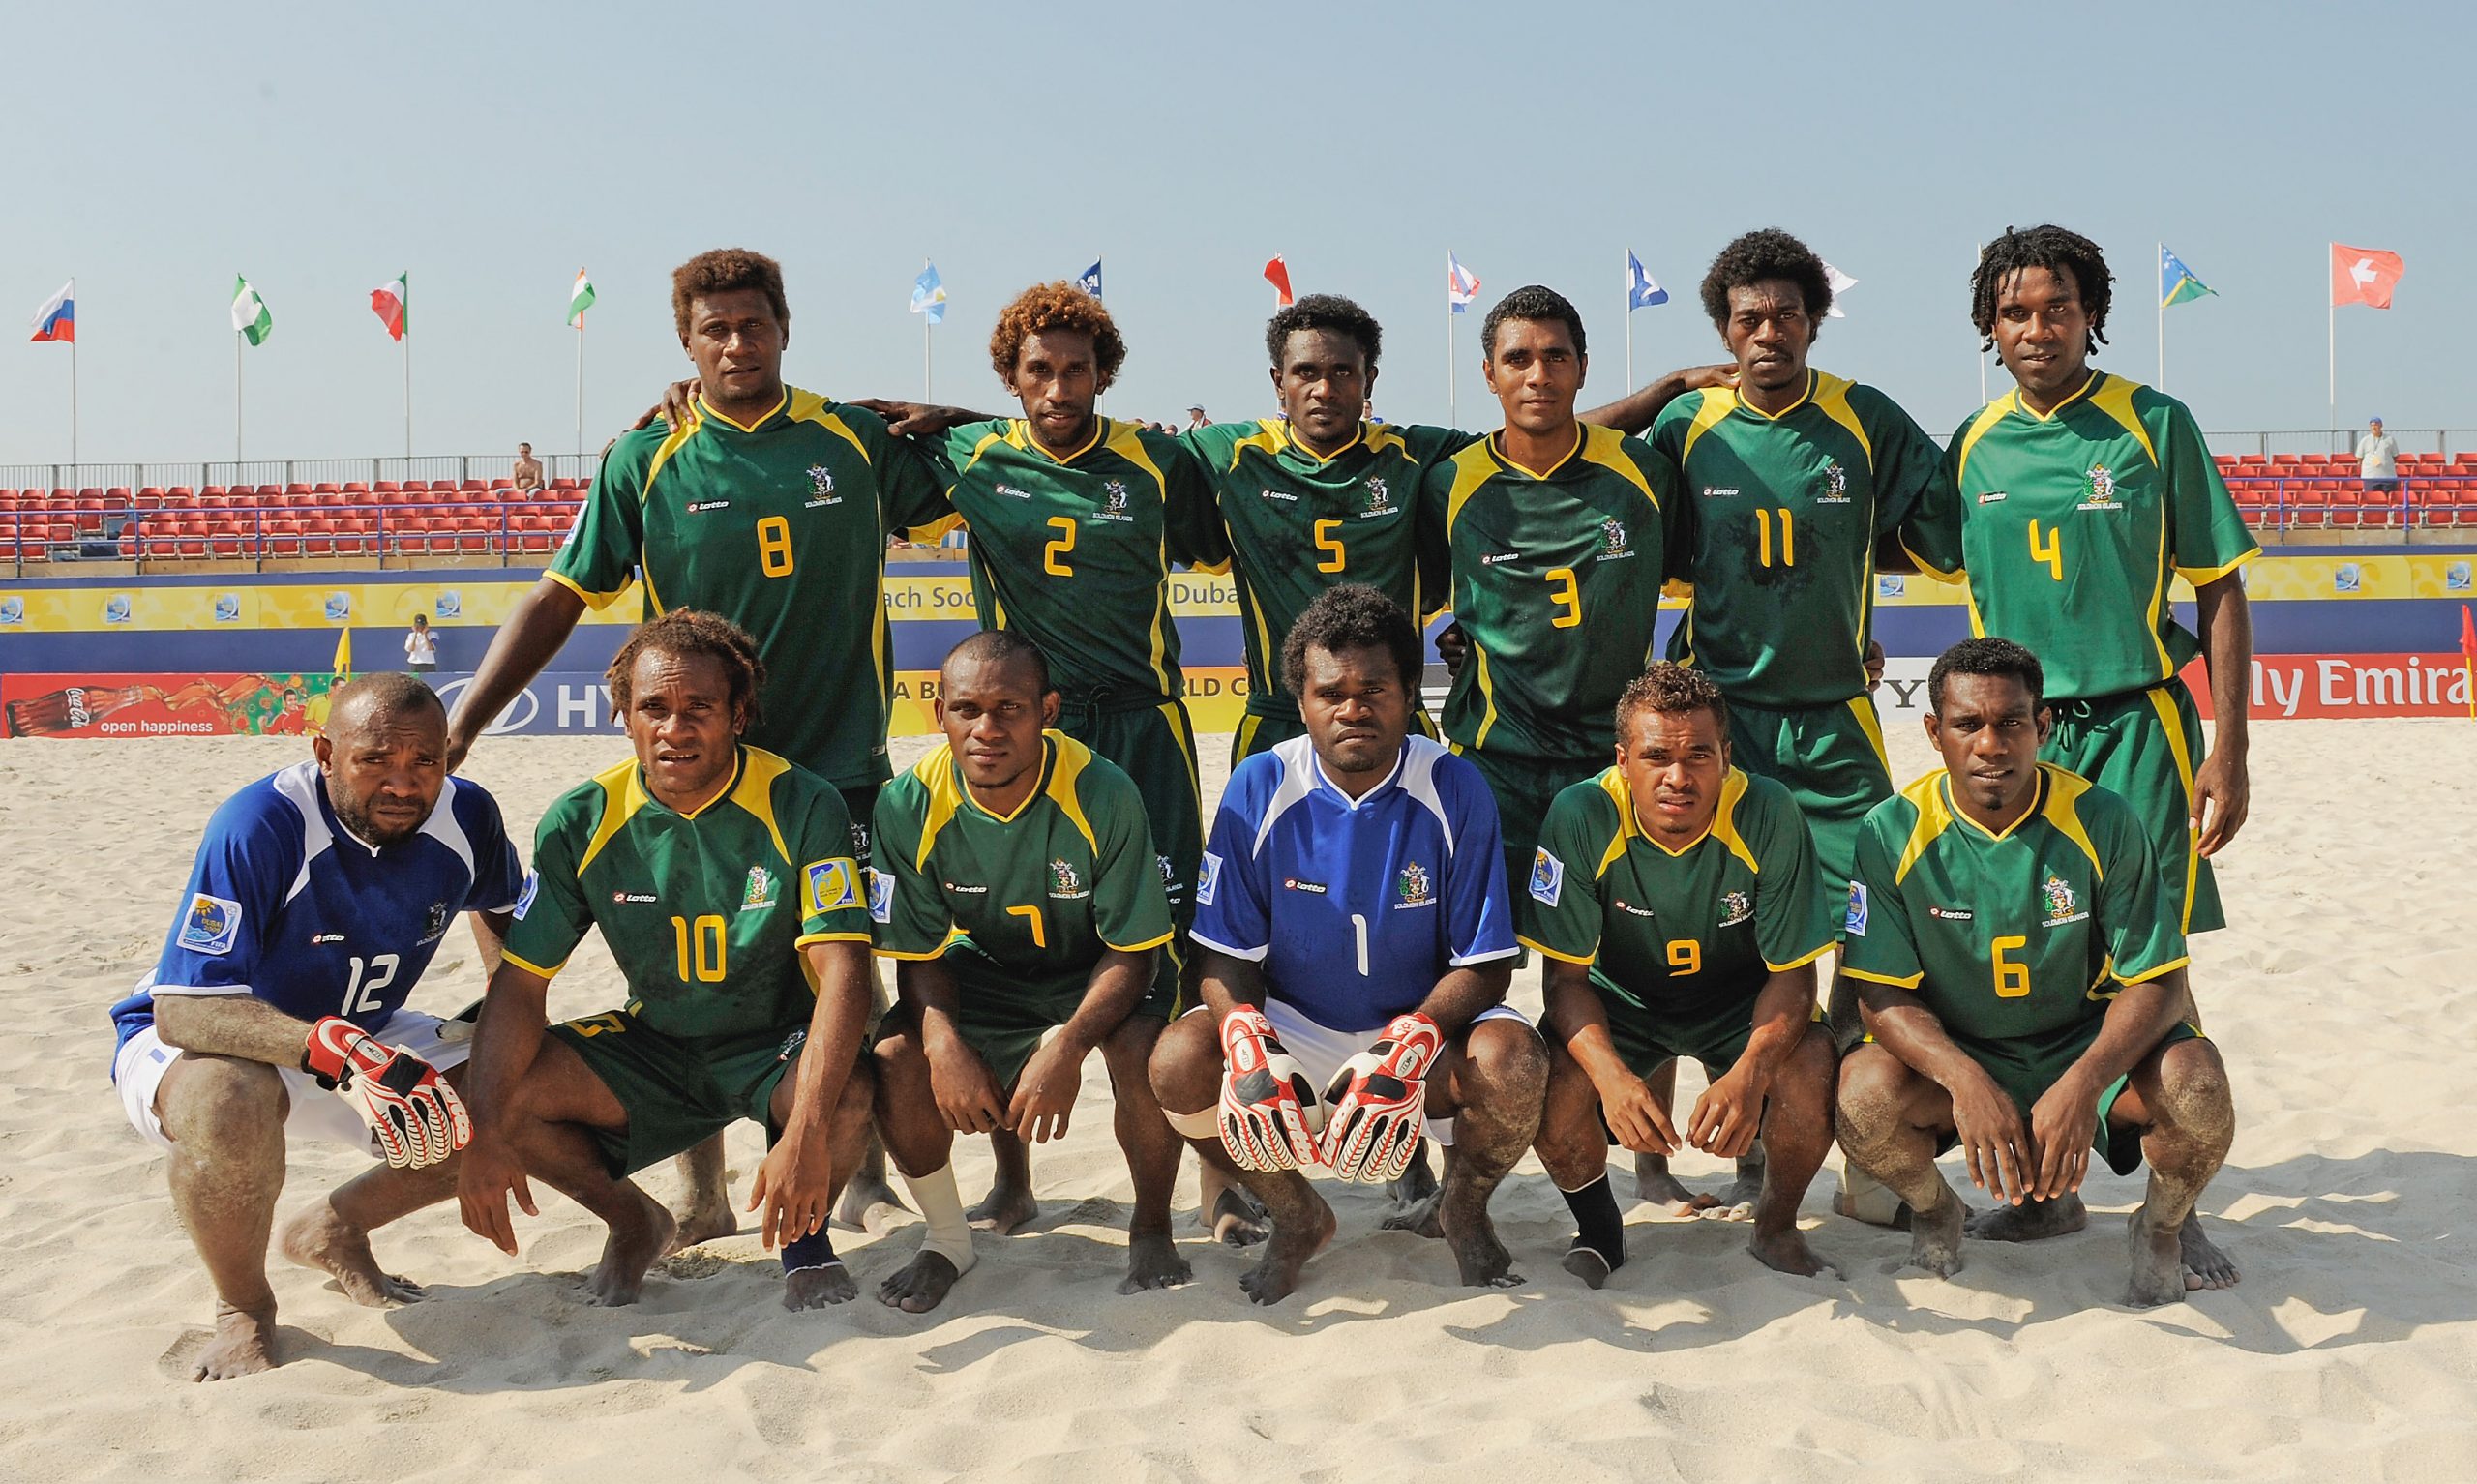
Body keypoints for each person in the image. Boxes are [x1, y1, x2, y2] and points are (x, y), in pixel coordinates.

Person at [455, 247, 946, 1238]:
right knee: (686, 968)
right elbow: (561, 595)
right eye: (713, 328)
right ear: (685, 342)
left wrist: (946, 412)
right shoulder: (648, 459)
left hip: (836, 765)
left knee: (848, 963)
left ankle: (864, 1179)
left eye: (752, 323)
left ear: (784, 328)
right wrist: (464, 722)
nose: (735, 342)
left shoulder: (849, 441)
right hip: (693, 767)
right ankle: (703, 1191)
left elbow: (1008, 459)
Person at [1942, 226, 2253, 1281]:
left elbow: (2220, 587)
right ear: (1989, 325)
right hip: (2014, 739)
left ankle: (2179, 1188)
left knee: (2155, 955)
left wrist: (2231, 748)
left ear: (2092, 314)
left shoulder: (2152, 424)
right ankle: (2049, 1196)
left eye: (2059, 306)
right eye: (2017, 310)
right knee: (2042, 946)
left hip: (2135, 727)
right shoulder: (1972, 441)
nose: (2038, 326)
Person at [1644, 228, 1964, 1214]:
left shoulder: (1866, 417)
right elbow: (1593, 495)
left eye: (1786, 313)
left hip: (1832, 722)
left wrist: (1847, 619)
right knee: (1699, 924)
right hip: (1716, 723)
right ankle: (1666, 1156)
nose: (1767, 330)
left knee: (1862, 932)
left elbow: (1952, 531)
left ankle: (1847, 1134)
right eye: (1748, 317)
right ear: (1722, 330)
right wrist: (1662, 385)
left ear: (1814, 321)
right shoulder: (1687, 425)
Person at [456, 611, 881, 1311]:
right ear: (623, 715)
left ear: (739, 714)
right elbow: (522, 984)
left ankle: (805, 1247)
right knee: (505, 1092)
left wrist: (802, 1130)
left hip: (775, 1044)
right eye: (653, 707)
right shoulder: (580, 819)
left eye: (699, 709)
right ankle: (633, 1223)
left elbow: (844, 969)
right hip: (656, 1044)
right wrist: (482, 1128)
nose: (675, 729)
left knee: (847, 1090)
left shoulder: (803, 801)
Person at [106, 672, 526, 1380]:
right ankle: (243, 1309)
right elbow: (186, 1010)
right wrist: (330, 1048)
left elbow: (504, 913)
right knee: (225, 1104)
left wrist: (500, 1011)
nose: (403, 783)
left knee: (520, 1085)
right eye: (375, 761)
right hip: (218, 1037)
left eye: (425, 762)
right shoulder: (261, 821)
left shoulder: (468, 814)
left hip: (361, 1029)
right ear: (325, 752)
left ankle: (334, 1228)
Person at [1149, 585, 1545, 1303]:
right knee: (1178, 1060)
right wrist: (1244, 1034)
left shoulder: (1455, 784)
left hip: (1421, 1031)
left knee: (1515, 1063)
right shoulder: (1259, 783)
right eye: (1331, 692)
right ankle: (1300, 1216)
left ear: (1407, 694)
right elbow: (1222, 956)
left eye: (1376, 688)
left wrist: (1414, 1037)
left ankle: (1461, 1210)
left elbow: (1487, 964)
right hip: (1299, 1027)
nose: (1354, 708)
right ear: (1301, 702)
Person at [1834, 638, 2237, 1306]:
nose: (1991, 745)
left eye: (2011, 723)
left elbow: (2161, 981)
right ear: (1935, 732)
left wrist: (2082, 1083)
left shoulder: (2102, 819)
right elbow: (1877, 992)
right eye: (1968, 725)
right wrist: (1965, 1080)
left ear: (2042, 727)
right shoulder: (1891, 830)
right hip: (1967, 1050)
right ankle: (1939, 1212)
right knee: (1862, 1100)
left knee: (2197, 1087)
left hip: (2081, 1048)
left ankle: (2162, 1228)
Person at [868, 631, 1190, 1311]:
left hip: (1096, 963)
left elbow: (1136, 950)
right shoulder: (906, 803)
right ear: (940, 713)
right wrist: (942, 1043)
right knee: (899, 1054)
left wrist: (1068, 1048)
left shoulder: (1103, 790)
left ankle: (1152, 1225)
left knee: (1139, 1047)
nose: (987, 729)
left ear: (1047, 710)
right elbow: (918, 951)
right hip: (987, 963)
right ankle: (954, 1236)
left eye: (1009, 709)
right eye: (967, 710)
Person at [1523, 664, 1840, 1284]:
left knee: (1811, 1066)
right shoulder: (1582, 813)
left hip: (1740, 1000)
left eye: (1699, 754)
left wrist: (1751, 1073)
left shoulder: (1769, 810)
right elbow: (1564, 982)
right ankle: (1599, 1230)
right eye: (1656, 756)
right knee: (1551, 1085)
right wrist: (1613, 1079)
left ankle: (1775, 1228)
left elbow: (1797, 977)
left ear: (1726, 756)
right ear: (1622, 760)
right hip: (1625, 1001)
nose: (1678, 776)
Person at [1421, 285, 1684, 908]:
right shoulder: (1449, 485)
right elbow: (1432, 595)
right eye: (1518, 360)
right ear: (1489, 374)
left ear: (1583, 367)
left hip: (1612, 759)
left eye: (1556, 357)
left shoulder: (1645, 475)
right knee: (1484, 955)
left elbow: (1704, 576)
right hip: (1493, 760)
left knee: (1613, 955)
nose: (1538, 376)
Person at [2357, 416, 2400, 500]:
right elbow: (2359, 457)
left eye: (2376, 424)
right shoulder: (2365, 440)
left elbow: (2395, 456)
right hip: (2370, 477)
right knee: (2371, 501)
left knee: (2389, 500)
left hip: (2388, 477)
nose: (2374, 427)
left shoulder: (2390, 439)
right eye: (2372, 425)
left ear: (2381, 426)